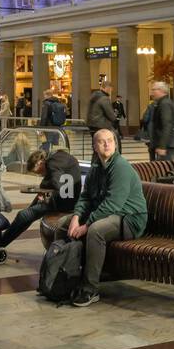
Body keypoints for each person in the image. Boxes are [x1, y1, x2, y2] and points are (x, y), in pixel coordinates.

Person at [64, 128, 147, 307]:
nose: (107, 144)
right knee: (65, 224)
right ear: (95, 146)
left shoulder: (120, 167)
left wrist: (86, 225)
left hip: (130, 218)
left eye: (110, 140)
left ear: (115, 144)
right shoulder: (96, 169)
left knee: (96, 230)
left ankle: (90, 289)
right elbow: (86, 197)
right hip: (110, 215)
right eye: (102, 141)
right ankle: (64, 277)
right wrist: (76, 217)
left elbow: (113, 204)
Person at [0, 147, 80, 248]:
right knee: (26, 214)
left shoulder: (52, 163)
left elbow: (56, 184)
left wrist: (43, 187)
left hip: (64, 204)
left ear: (39, 163)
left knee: (24, 215)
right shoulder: (57, 158)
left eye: (39, 172)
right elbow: (57, 183)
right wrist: (43, 190)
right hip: (67, 199)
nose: (41, 175)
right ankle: (2, 240)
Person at [147, 81, 174, 162]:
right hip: (168, 144)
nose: (152, 93)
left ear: (161, 90)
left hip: (168, 145)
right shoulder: (163, 102)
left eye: (154, 90)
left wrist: (162, 146)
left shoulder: (165, 104)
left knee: (166, 169)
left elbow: (167, 125)